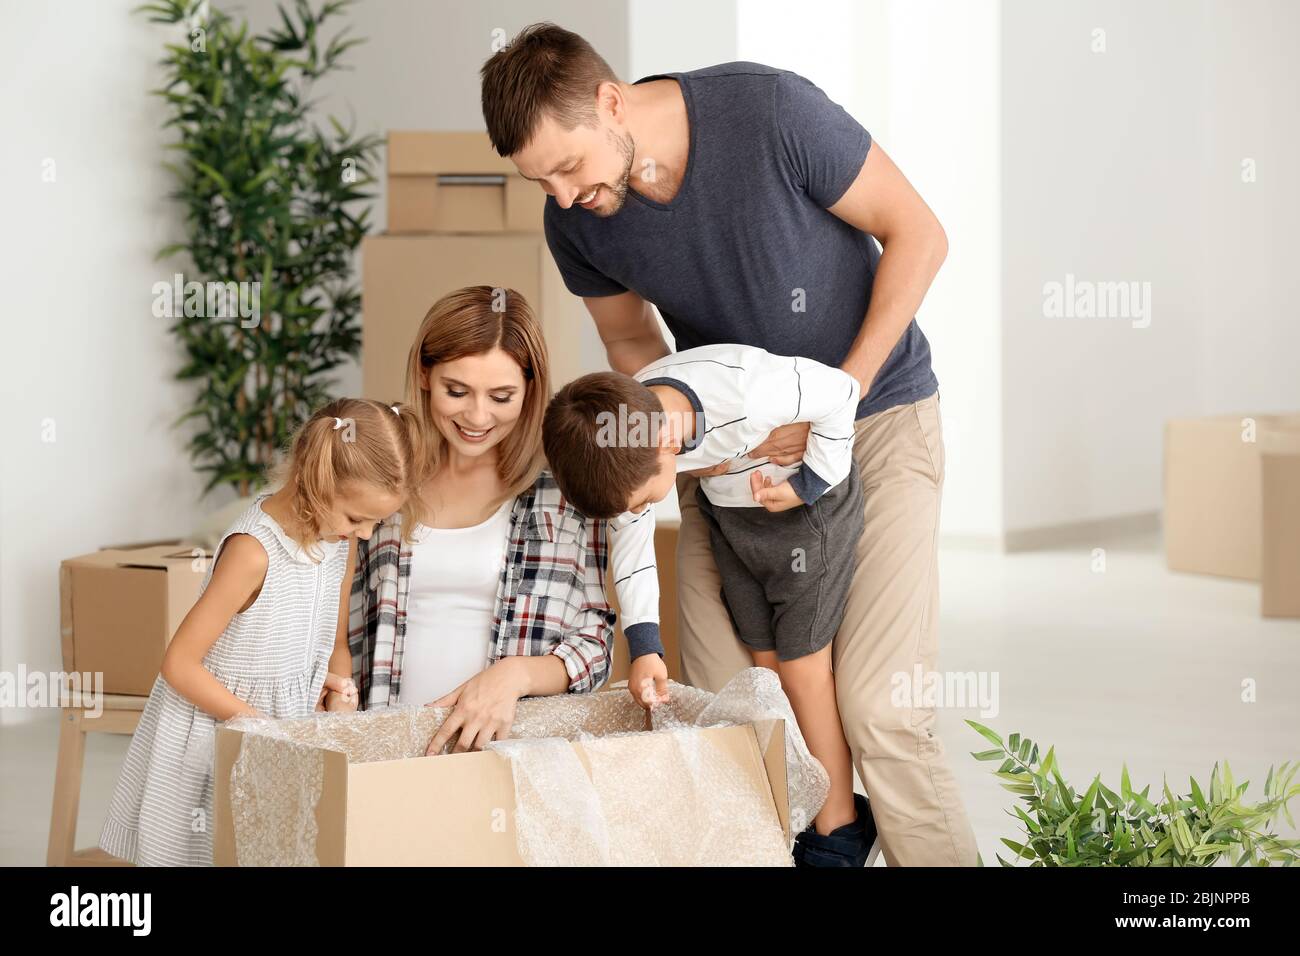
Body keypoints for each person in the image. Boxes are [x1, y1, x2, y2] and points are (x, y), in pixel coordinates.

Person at [481, 23, 978, 864]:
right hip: (723, 454)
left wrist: (836, 404)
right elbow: (633, 348)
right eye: (540, 181)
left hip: (880, 416)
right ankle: (825, 836)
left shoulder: (771, 113)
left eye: (567, 167)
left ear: (610, 102)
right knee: (721, 706)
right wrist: (702, 434)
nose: (562, 196)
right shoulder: (578, 223)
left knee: (881, 711)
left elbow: (920, 234)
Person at [544, 343, 874, 865]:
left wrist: (808, 484)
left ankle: (839, 830)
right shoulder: (630, 439)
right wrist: (645, 646)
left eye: (645, 500)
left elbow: (842, 392)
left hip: (808, 519)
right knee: (764, 671)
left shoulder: (745, 392)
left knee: (802, 672)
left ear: (666, 445)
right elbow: (631, 549)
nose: (640, 512)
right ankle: (799, 814)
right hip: (736, 524)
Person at [99, 398, 423, 865]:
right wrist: (261, 726)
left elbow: (334, 643)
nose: (368, 534)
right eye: (357, 518)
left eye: (377, 521)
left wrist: (338, 701)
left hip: (281, 734)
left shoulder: (340, 545)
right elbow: (179, 665)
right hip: (214, 734)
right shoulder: (253, 552)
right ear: (316, 481)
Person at [345, 286, 625, 756]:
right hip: (385, 751)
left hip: (511, 759)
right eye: (457, 391)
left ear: (530, 390)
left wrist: (513, 675)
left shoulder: (562, 492)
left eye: (501, 396)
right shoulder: (383, 476)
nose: (477, 416)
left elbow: (595, 645)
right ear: (424, 373)